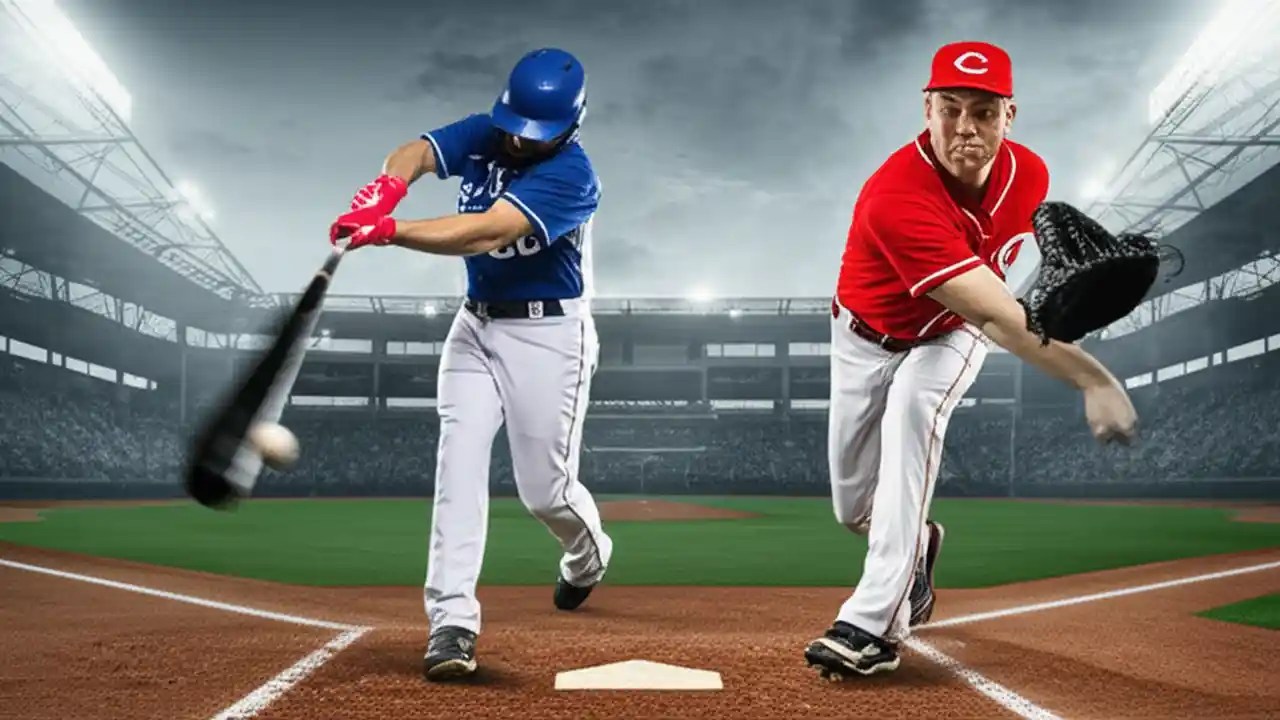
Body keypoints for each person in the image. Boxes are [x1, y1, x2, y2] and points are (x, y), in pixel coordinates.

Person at [803, 40, 1138, 679]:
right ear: (925, 109)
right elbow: (999, 309)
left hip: (952, 335)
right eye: (949, 107)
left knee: (913, 415)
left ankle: (872, 625)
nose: (965, 127)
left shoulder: (1031, 175)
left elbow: (986, 314)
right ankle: (920, 545)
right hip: (864, 339)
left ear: (1010, 115)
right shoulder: (894, 196)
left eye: (983, 111)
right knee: (854, 509)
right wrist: (1092, 376)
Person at [328, 47, 613, 682]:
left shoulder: (573, 175)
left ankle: (587, 558)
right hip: (475, 327)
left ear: (570, 126)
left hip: (550, 337)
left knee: (547, 492)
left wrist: (390, 229)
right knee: (457, 462)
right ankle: (452, 621)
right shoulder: (490, 131)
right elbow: (419, 151)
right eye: (512, 124)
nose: (515, 140)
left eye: (532, 133)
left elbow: (485, 231)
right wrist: (388, 184)